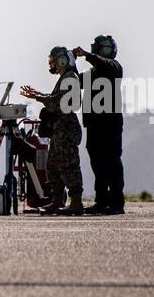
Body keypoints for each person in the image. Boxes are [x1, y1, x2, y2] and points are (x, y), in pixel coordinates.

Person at [21, 46, 84, 215]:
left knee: (69, 165)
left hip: (66, 128)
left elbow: (58, 103)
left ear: (63, 60)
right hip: (59, 129)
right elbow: (55, 99)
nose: (52, 63)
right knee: (53, 167)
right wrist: (39, 95)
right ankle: (57, 201)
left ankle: (76, 203)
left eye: (54, 59)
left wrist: (38, 97)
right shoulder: (65, 77)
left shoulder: (70, 77)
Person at [73, 34, 124, 214]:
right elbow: (75, 82)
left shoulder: (114, 67)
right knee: (98, 165)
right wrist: (70, 64)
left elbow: (104, 64)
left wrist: (86, 55)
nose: (94, 49)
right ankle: (101, 201)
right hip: (94, 125)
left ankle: (117, 203)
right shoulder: (94, 73)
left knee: (112, 163)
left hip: (110, 125)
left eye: (96, 47)